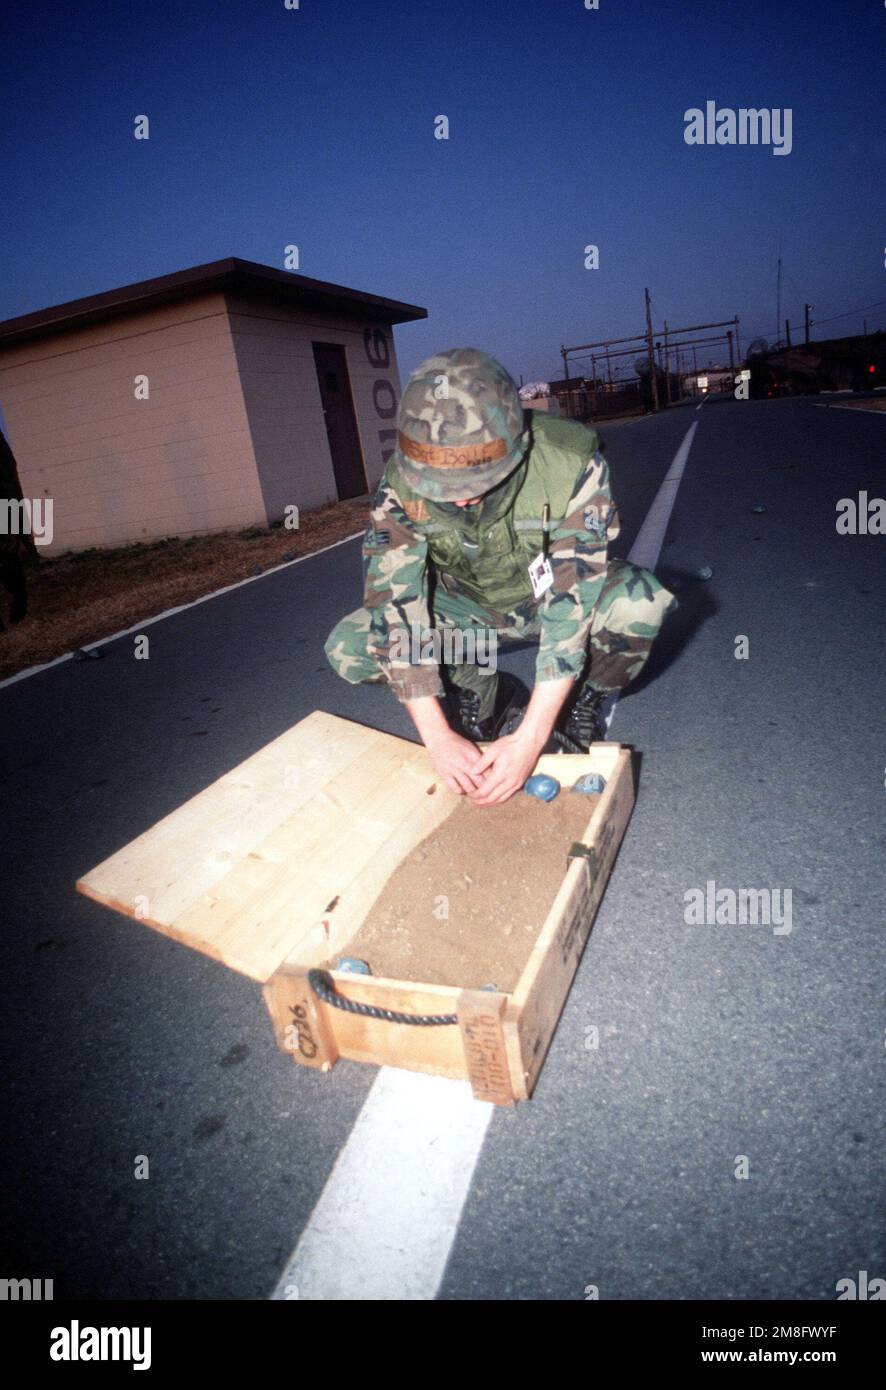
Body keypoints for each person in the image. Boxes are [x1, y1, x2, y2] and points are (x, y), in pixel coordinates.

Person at [325, 348, 675, 805]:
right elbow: (395, 607)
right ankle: (481, 691)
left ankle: (576, 703)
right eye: (442, 487)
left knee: (639, 602)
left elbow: (574, 598)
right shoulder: (402, 486)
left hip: (548, 602)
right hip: (466, 615)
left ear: (518, 443)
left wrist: (532, 736)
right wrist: (437, 735)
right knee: (350, 646)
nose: (461, 500)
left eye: (475, 482)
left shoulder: (570, 464)